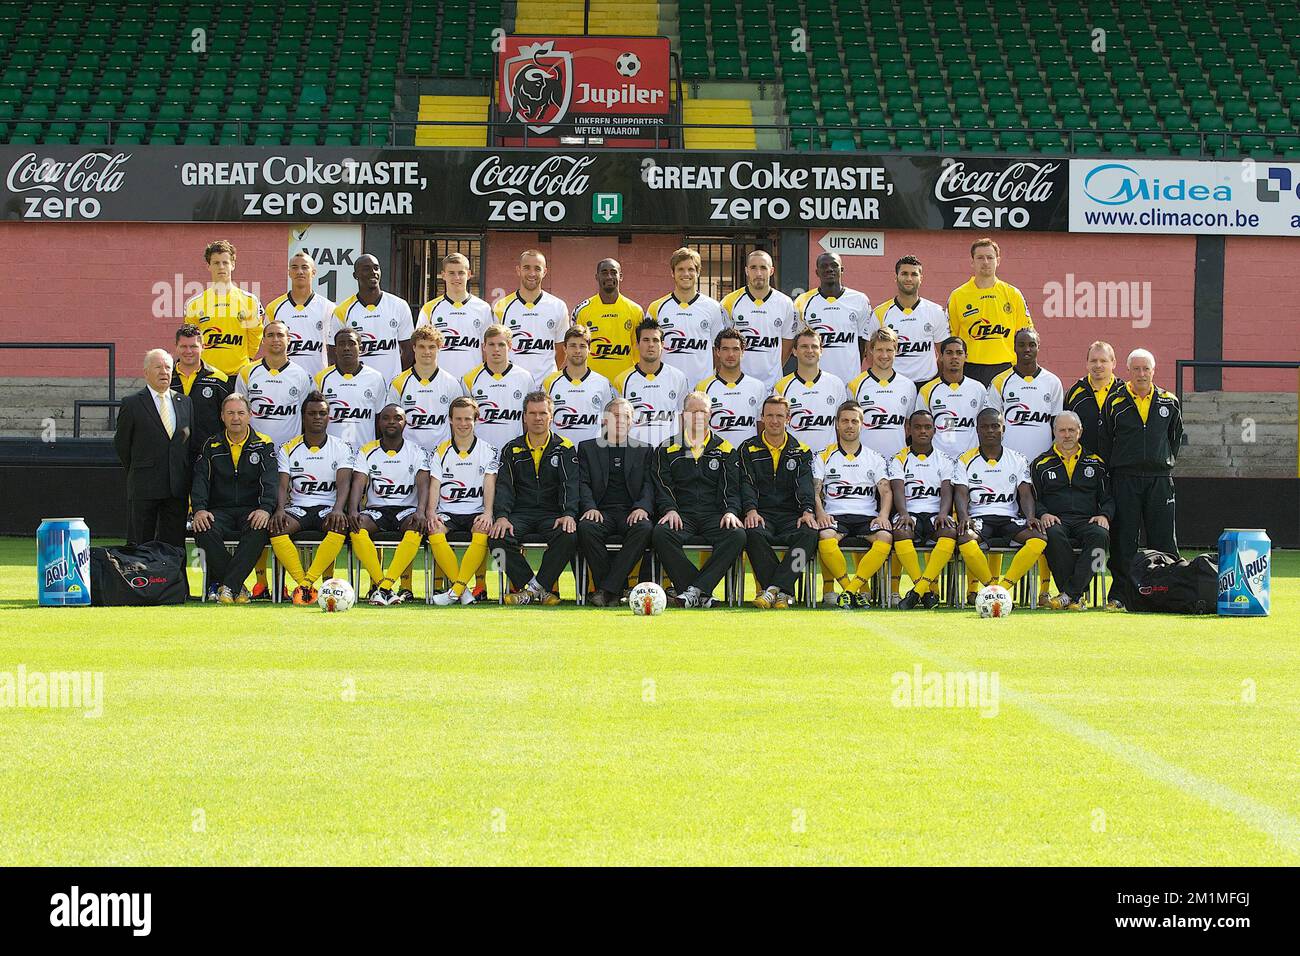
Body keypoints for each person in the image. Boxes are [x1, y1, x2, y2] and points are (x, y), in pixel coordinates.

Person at [1099, 348, 1183, 611]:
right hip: (1125, 479)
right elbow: (1106, 442)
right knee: (1123, 540)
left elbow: (1175, 439)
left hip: (1159, 479)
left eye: (1146, 369)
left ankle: (1168, 594)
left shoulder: (1170, 402)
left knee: (1164, 540)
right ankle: (1121, 596)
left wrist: (1160, 461)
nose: (1142, 374)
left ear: (1154, 371)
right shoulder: (1114, 401)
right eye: (1136, 369)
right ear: (1128, 371)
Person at [985, 327, 1063, 604]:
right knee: (996, 518)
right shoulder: (999, 382)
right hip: (1007, 468)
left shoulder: (1052, 383)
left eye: (1031, 344)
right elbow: (990, 424)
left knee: (1039, 528)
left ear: (1038, 346)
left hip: (1041, 470)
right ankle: (990, 586)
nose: (1026, 349)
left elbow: (1057, 428)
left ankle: (1042, 589)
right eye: (1021, 345)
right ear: (1014, 347)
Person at [651, 392, 747, 608]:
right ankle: (701, 591)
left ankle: (693, 590)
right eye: (693, 412)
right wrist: (669, 509)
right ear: (683, 415)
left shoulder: (725, 449)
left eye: (702, 411)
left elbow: (732, 488)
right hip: (681, 515)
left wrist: (731, 511)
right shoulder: (667, 448)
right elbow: (662, 485)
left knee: (737, 534)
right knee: (660, 533)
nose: (698, 416)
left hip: (714, 515)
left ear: (710, 414)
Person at [490, 391, 580, 605]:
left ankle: (529, 592)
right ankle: (537, 588)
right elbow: (504, 487)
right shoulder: (511, 448)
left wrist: (568, 514)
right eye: (532, 413)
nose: (537, 418)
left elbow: (571, 485)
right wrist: (502, 516)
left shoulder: (565, 448)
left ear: (551, 416)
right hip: (520, 514)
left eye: (543, 413)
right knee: (496, 539)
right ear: (524, 416)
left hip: (552, 515)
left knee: (569, 536)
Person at [267, 392, 354, 605]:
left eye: (322, 413)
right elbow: (282, 483)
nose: (317, 417)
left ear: (328, 417)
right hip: (299, 507)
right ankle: (305, 585)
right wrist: (279, 509)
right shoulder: (288, 448)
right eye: (312, 413)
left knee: (339, 525)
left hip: (327, 507)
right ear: (303, 417)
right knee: (276, 528)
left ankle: (306, 585)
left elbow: (344, 483)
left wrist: (338, 509)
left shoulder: (340, 447)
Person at [190, 393, 277, 603]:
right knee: (203, 527)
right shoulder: (211, 445)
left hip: (252, 509)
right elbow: (200, 480)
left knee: (260, 528)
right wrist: (199, 509)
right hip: (219, 511)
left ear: (250, 415)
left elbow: (271, 480)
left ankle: (227, 586)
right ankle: (236, 586)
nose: (235, 418)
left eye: (240, 413)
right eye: (230, 413)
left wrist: (265, 508)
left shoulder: (264, 444)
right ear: (222, 416)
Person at [347, 404, 435, 606]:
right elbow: (358, 482)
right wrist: (353, 510)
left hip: (406, 511)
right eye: (386, 418)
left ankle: (384, 588)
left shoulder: (416, 451)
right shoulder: (367, 450)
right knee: (357, 526)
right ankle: (383, 585)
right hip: (376, 511)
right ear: (379, 423)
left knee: (416, 526)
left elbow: (423, 484)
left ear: (405, 423)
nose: (391, 422)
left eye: (397, 418)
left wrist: (421, 511)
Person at [953, 408, 1047, 595]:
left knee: (1039, 538)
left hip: (1008, 518)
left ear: (1004, 429)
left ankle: (1002, 590)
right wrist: (963, 516)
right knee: (965, 537)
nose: (990, 431)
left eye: (995, 426)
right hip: (980, 517)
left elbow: (1025, 493)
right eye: (985, 427)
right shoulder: (965, 459)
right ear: (977, 429)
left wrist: (1030, 516)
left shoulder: (1018, 459)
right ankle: (991, 589)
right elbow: (961, 493)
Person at [740, 395, 819, 610]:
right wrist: (750, 510)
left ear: (788, 419)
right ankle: (783, 592)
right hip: (761, 513)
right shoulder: (748, 448)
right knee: (752, 532)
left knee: (810, 533)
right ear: (762, 418)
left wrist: (807, 511)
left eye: (779, 416)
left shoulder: (801, 450)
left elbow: (805, 484)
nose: (774, 421)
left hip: (791, 516)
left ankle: (773, 589)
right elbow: (746, 483)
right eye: (770, 416)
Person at [577, 397, 657, 607]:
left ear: (632, 422)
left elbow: (650, 484)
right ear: (605, 420)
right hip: (600, 511)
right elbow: (582, 483)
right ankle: (614, 588)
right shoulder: (587, 448)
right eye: (615, 415)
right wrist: (590, 507)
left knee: (645, 527)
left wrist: (642, 507)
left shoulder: (645, 449)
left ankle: (606, 590)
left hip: (631, 511)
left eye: (626, 416)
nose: (621, 420)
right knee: (586, 527)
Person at [812, 402, 894, 608]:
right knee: (825, 535)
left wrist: (883, 516)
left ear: (862, 425)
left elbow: (885, 490)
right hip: (835, 515)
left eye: (854, 421)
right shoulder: (823, 455)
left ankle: (850, 590)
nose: (850, 425)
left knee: (885, 536)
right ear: (837, 424)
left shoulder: (874, 457)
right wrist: (820, 513)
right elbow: (815, 490)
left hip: (866, 516)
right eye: (845, 421)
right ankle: (851, 589)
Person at [1031, 412, 1113, 611]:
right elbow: (1033, 499)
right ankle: (1076, 597)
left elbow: (1109, 497)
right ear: (1054, 432)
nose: (1067, 435)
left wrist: (1104, 515)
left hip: (1087, 520)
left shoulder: (1096, 462)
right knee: (1052, 534)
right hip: (1056, 520)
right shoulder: (1040, 464)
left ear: (1080, 432)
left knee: (1101, 538)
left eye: (1071, 430)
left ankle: (1069, 595)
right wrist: (1043, 514)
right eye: (1062, 430)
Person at [114, 349, 193, 548]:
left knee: (175, 548)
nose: (164, 372)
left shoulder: (185, 402)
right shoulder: (131, 404)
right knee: (139, 545)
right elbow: (122, 445)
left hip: (176, 489)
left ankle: (176, 581)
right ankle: (138, 581)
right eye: (158, 367)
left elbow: (189, 444)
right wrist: (140, 469)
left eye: (167, 367)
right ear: (146, 372)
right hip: (144, 487)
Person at [428, 396, 498, 606]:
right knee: (434, 529)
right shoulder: (441, 451)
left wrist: (487, 513)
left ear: (477, 419)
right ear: (450, 420)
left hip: (476, 510)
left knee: (483, 529)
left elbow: (489, 484)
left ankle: (455, 590)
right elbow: (434, 484)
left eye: (467, 419)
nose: (463, 424)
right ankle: (464, 590)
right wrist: (431, 512)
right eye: (458, 419)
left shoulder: (488, 451)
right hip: (448, 511)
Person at [890, 408, 960, 609]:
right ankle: (925, 589)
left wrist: (943, 514)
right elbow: (898, 490)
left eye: (927, 427)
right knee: (901, 531)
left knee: (948, 530)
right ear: (909, 429)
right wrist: (903, 513)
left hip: (934, 513)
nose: (923, 431)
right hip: (909, 512)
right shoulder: (899, 459)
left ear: (934, 430)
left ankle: (917, 591)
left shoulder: (944, 460)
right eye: (918, 427)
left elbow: (947, 491)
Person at [946, 237, 1034, 386]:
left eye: (990, 257)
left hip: (1006, 367)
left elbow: (1026, 334)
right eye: (980, 257)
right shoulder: (958, 296)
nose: (985, 262)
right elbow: (951, 336)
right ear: (972, 261)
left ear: (998, 260)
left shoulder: (1013, 294)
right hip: (970, 368)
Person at [183, 239, 265, 377]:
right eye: (216, 263)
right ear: (208, 266)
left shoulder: (250, 301)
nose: (221, 267)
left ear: (233, 265)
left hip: (239, 374)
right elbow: (191, 341)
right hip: (207, 375)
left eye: (225, 262)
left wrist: (247, 359)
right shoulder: (194, 303)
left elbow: (255, 336)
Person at [793, 251, 875, 387]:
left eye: (834, 265)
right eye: (824, 266)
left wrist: (853, 370)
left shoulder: (859, 300)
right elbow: (797, 344)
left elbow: (863, 342)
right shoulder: (803, 301)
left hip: (850, 381)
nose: (829, 269)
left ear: (841, 270)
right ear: (817, 272)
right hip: (814, 382)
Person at [648, 247, 726, 388]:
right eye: (680, 269)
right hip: (666, 386)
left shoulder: (713, 308)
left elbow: (718, 351)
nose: (686, 274)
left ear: (698, 272)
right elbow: (648, 350)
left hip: (701, 390)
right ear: (672, 273)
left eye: (691, 269)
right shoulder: (656, 307)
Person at [330, 254, 414, 383]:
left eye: (376, 268)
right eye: (366, 268)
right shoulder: (342, 310)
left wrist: (396, 378)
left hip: (391, 385)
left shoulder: (399, 305)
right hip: (357, 385)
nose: (373, 272)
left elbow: (409, 350)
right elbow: (333, 353)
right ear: (355, 275)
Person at [720, 249, 795, 390]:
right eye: (753, 268)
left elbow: (788, 343)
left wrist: (774, 368)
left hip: (773, 386)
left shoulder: (785, 303)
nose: (759, 273)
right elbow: (723, 344)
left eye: (763, 268)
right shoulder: (729, 302)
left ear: (771, 270)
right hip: (738, 384)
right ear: (747, 271)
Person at [493, 249, 569, 387]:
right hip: (512, 384)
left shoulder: (558, 306)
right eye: (526, 268)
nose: (532, 273)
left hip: (546, 386)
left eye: (537, 268)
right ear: (518, 270)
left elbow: (561, 350)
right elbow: (494, 348)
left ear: (545, 272)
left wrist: (548, 376)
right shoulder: (501, 307)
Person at [236, 319, 315, 451]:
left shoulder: (301, 375)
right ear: (263, 340)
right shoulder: (247, 372)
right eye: (270, 335)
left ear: (289, 339)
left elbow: (305, 415)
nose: (275, 339)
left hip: (290, 451)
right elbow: (240, 413)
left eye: (280, 335)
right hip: (254, 450)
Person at [387, 324, 466, 455]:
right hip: (409, 455)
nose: (427, 352)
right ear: (413, 348)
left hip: (441, 455)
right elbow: (392, 423)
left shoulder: (451, 383)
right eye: (422, 347)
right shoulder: (398, 382)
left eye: (432, 347)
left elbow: (458, 424)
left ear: (439, 348)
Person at [416, 252, 494, 383]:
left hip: (473, 381)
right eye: (451, 273)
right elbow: (419, 349)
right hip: (439, 381)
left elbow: (487, 350)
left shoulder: (483, 308)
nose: (456, 277)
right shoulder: (429, 309)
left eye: (461, 273)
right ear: (443, 275)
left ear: (469, 275)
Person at [613, 317, 690, 448]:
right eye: (645, 340)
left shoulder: (678, 377)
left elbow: (684, 417)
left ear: (662, 345)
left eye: (655, 340)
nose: (651, 345)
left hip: (668, 454)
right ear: (637, 344)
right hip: (635, 453)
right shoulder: (622, 380)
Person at [873, 255, 948, 385]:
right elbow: (871, 353)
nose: (909, 278)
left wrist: (934, 380)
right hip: (893, 384)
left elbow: (944, 353)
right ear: (896, 277)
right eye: (904, 274)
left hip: (927, 383)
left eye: (914, 274)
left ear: (921, 279)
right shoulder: (880, 312)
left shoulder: (935, 311)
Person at [463, 324, 536, 452]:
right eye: (491, 344)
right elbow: (463, 422)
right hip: (480, 453)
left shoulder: (525, 378)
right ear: (484, 346)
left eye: (501, 344)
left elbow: (530, 420)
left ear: (510, 346)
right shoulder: (469, 379)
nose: (496, 349)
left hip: (515, 453)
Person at [315, 327, 388, 456]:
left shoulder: (376, 378)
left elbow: (379, 420)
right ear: (335, 349)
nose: (346, 348)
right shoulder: (322, 378)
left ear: (360, 347)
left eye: (352, 343)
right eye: (341, 344)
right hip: (330, 454)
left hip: (365, 454)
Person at [847, 326, 917, 460]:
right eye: (879, 350)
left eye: (889, 350)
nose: (884, 355)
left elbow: (908, 426)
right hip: (863, 461)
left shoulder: (908, 386)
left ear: (896, 351)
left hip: (898, 461)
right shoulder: (854, 385)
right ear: (871, 350)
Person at [775, 328, 847, 457]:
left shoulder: (836, 384)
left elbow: (842, 426)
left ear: (821, 351)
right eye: (804, 346)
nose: (809, 351)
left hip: (828, 461)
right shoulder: (782, 386)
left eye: (814, 346)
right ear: (794, 351)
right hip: (794, 461)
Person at [696, 327, 771, 449]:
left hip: (748, 460)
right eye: (725, 349)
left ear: (743, 352)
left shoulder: (758, 387)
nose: (730, 354)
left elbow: (762, 429)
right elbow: (697, 430)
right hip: (715, 460)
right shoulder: (703, 387)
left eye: (735, 349)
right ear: (717, 352)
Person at [570, 258, 643, 382]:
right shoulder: (582, 310)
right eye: (604, 273)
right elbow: (574, 350)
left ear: (620, 276)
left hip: (624, 382)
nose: (609, 276)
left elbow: (639, 351)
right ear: (597, 277)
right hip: (591, 383)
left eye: (613, 272)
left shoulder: (635, 310)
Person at [543, 325, 614, 447]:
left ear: (589, 349)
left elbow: (608, 423)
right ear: (564, 348)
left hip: (592, 455)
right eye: (572, 346)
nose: (577, 351)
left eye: (582, 346)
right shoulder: (550, 381)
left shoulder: (602, 383)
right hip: (559, 453)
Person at [264, 251, 333, 374]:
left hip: (317, 381)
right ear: (289, 272)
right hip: (284, 380)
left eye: (305, 267)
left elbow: (333, 348)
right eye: (295, 267)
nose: (300, 271)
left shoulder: (329, 307)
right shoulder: (273, 307)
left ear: (313, 272)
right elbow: (269, 348)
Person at [917, 337, 985, 461]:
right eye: (949, 353)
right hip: (938, 461)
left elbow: (985, 426)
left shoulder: (978, 389)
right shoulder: (927, 390)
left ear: (966, 356)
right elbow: (920, 429)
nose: (954, 357)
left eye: (959, 353)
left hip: (970, 460)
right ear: (941, 357)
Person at [171, 323, 231, 455]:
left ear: (203, 347)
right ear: (176, 347)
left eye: (193, 346)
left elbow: (228, 419)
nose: (188, 351)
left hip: (208, 455)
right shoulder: (166, 379)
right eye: (183, 346)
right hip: (173, 455)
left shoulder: (219, 379)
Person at [1064, 340, 1121, 455]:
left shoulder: (1123, 393)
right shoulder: (1075, 393)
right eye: (1093, 361)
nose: (1098, 365)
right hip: (1083, 466)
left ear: (1113, 363)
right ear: (1087, 363)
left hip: (1118, 467)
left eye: (1103, 361)